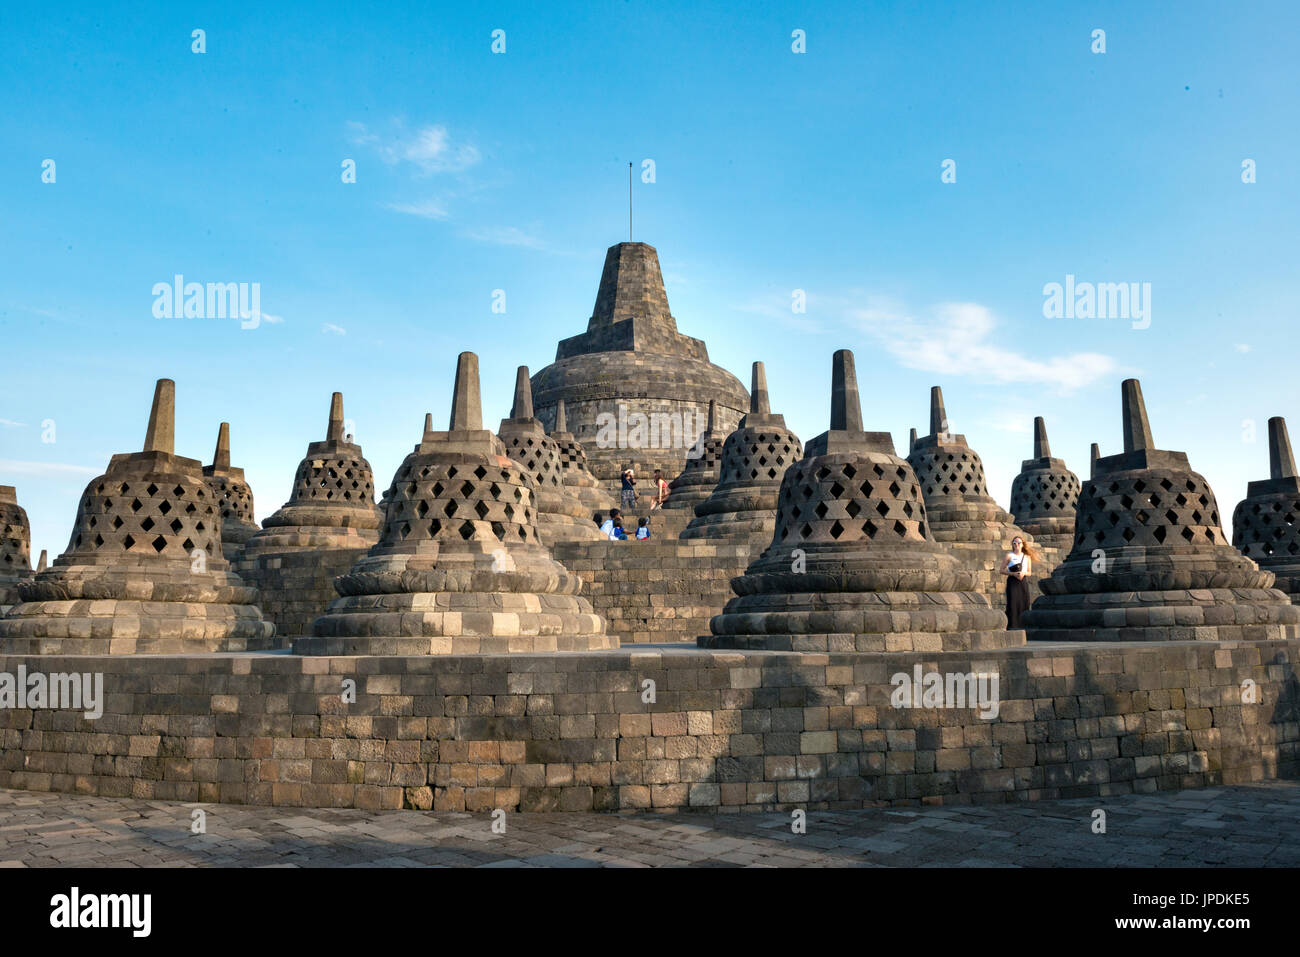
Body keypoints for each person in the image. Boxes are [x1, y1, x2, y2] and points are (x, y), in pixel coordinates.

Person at [1002, 536, 1040, 628]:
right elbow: (1001, 570)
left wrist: (1023, 573)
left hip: (1022, 581)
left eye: (1019, 543)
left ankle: (1024, 625)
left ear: (1022, 544)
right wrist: (1013, 574)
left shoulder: (1027, 557)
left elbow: (1029, 572)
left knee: (1023, 602)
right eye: (1014, 543)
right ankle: (1012, 625)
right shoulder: (1009, 555)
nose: (1016, 545)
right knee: (1013, 603)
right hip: (1013, 581)